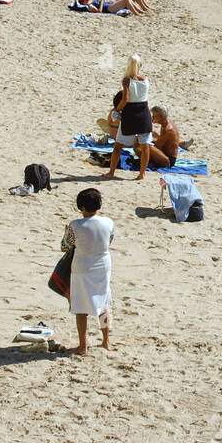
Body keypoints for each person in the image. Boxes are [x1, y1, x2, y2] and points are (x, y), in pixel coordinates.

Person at [61, 188, 114, 355]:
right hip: (103, 265)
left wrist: (66, 233)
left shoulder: (76, 225)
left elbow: (65, 246)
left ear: (82, 207)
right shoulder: (109, 222)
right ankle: (106, 342)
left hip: (82, 267)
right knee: (105, 303)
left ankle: (83, 345)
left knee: (81, 306)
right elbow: (109, 241)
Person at [104, 55, 153, 180]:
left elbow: (125, 99)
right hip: (143, 112)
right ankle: (142, 174)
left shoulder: (127, 80)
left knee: (118, 145)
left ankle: (111, 172)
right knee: (145, 145)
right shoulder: (145, 80)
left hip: (131, 114)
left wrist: (117, 109)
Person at [147, 105, 180, 169]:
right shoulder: (167, 123)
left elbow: (157, 146)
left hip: (168, 160)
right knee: (152, 134)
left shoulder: (167, 130)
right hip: (166, 153)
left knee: (145, 146)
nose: (152, 118)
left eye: (154, 116)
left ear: (161, 116)